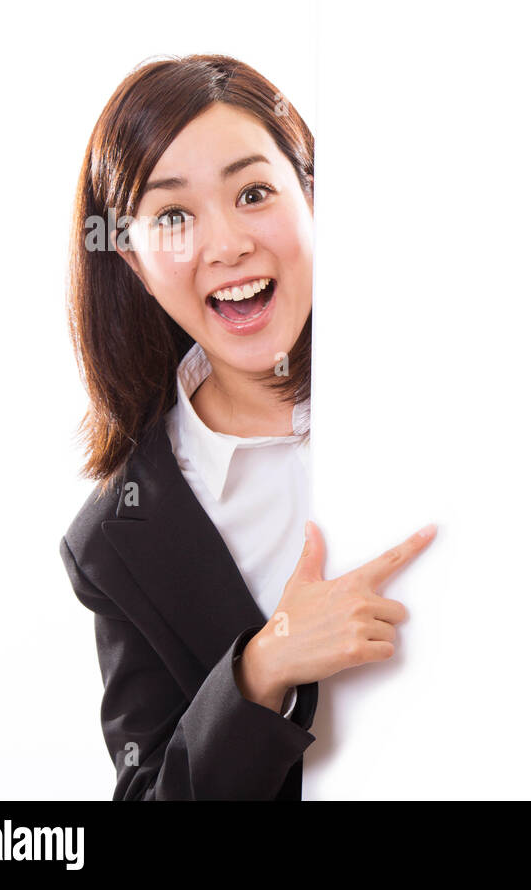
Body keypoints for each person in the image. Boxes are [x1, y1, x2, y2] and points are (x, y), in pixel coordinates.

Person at [59, 53, 435, 799]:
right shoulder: (121, 539)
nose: (226, 244)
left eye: (254, 192)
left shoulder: (438, 370)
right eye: (173, 216)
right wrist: (263, 666)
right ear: (129, 257)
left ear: (314, 198)